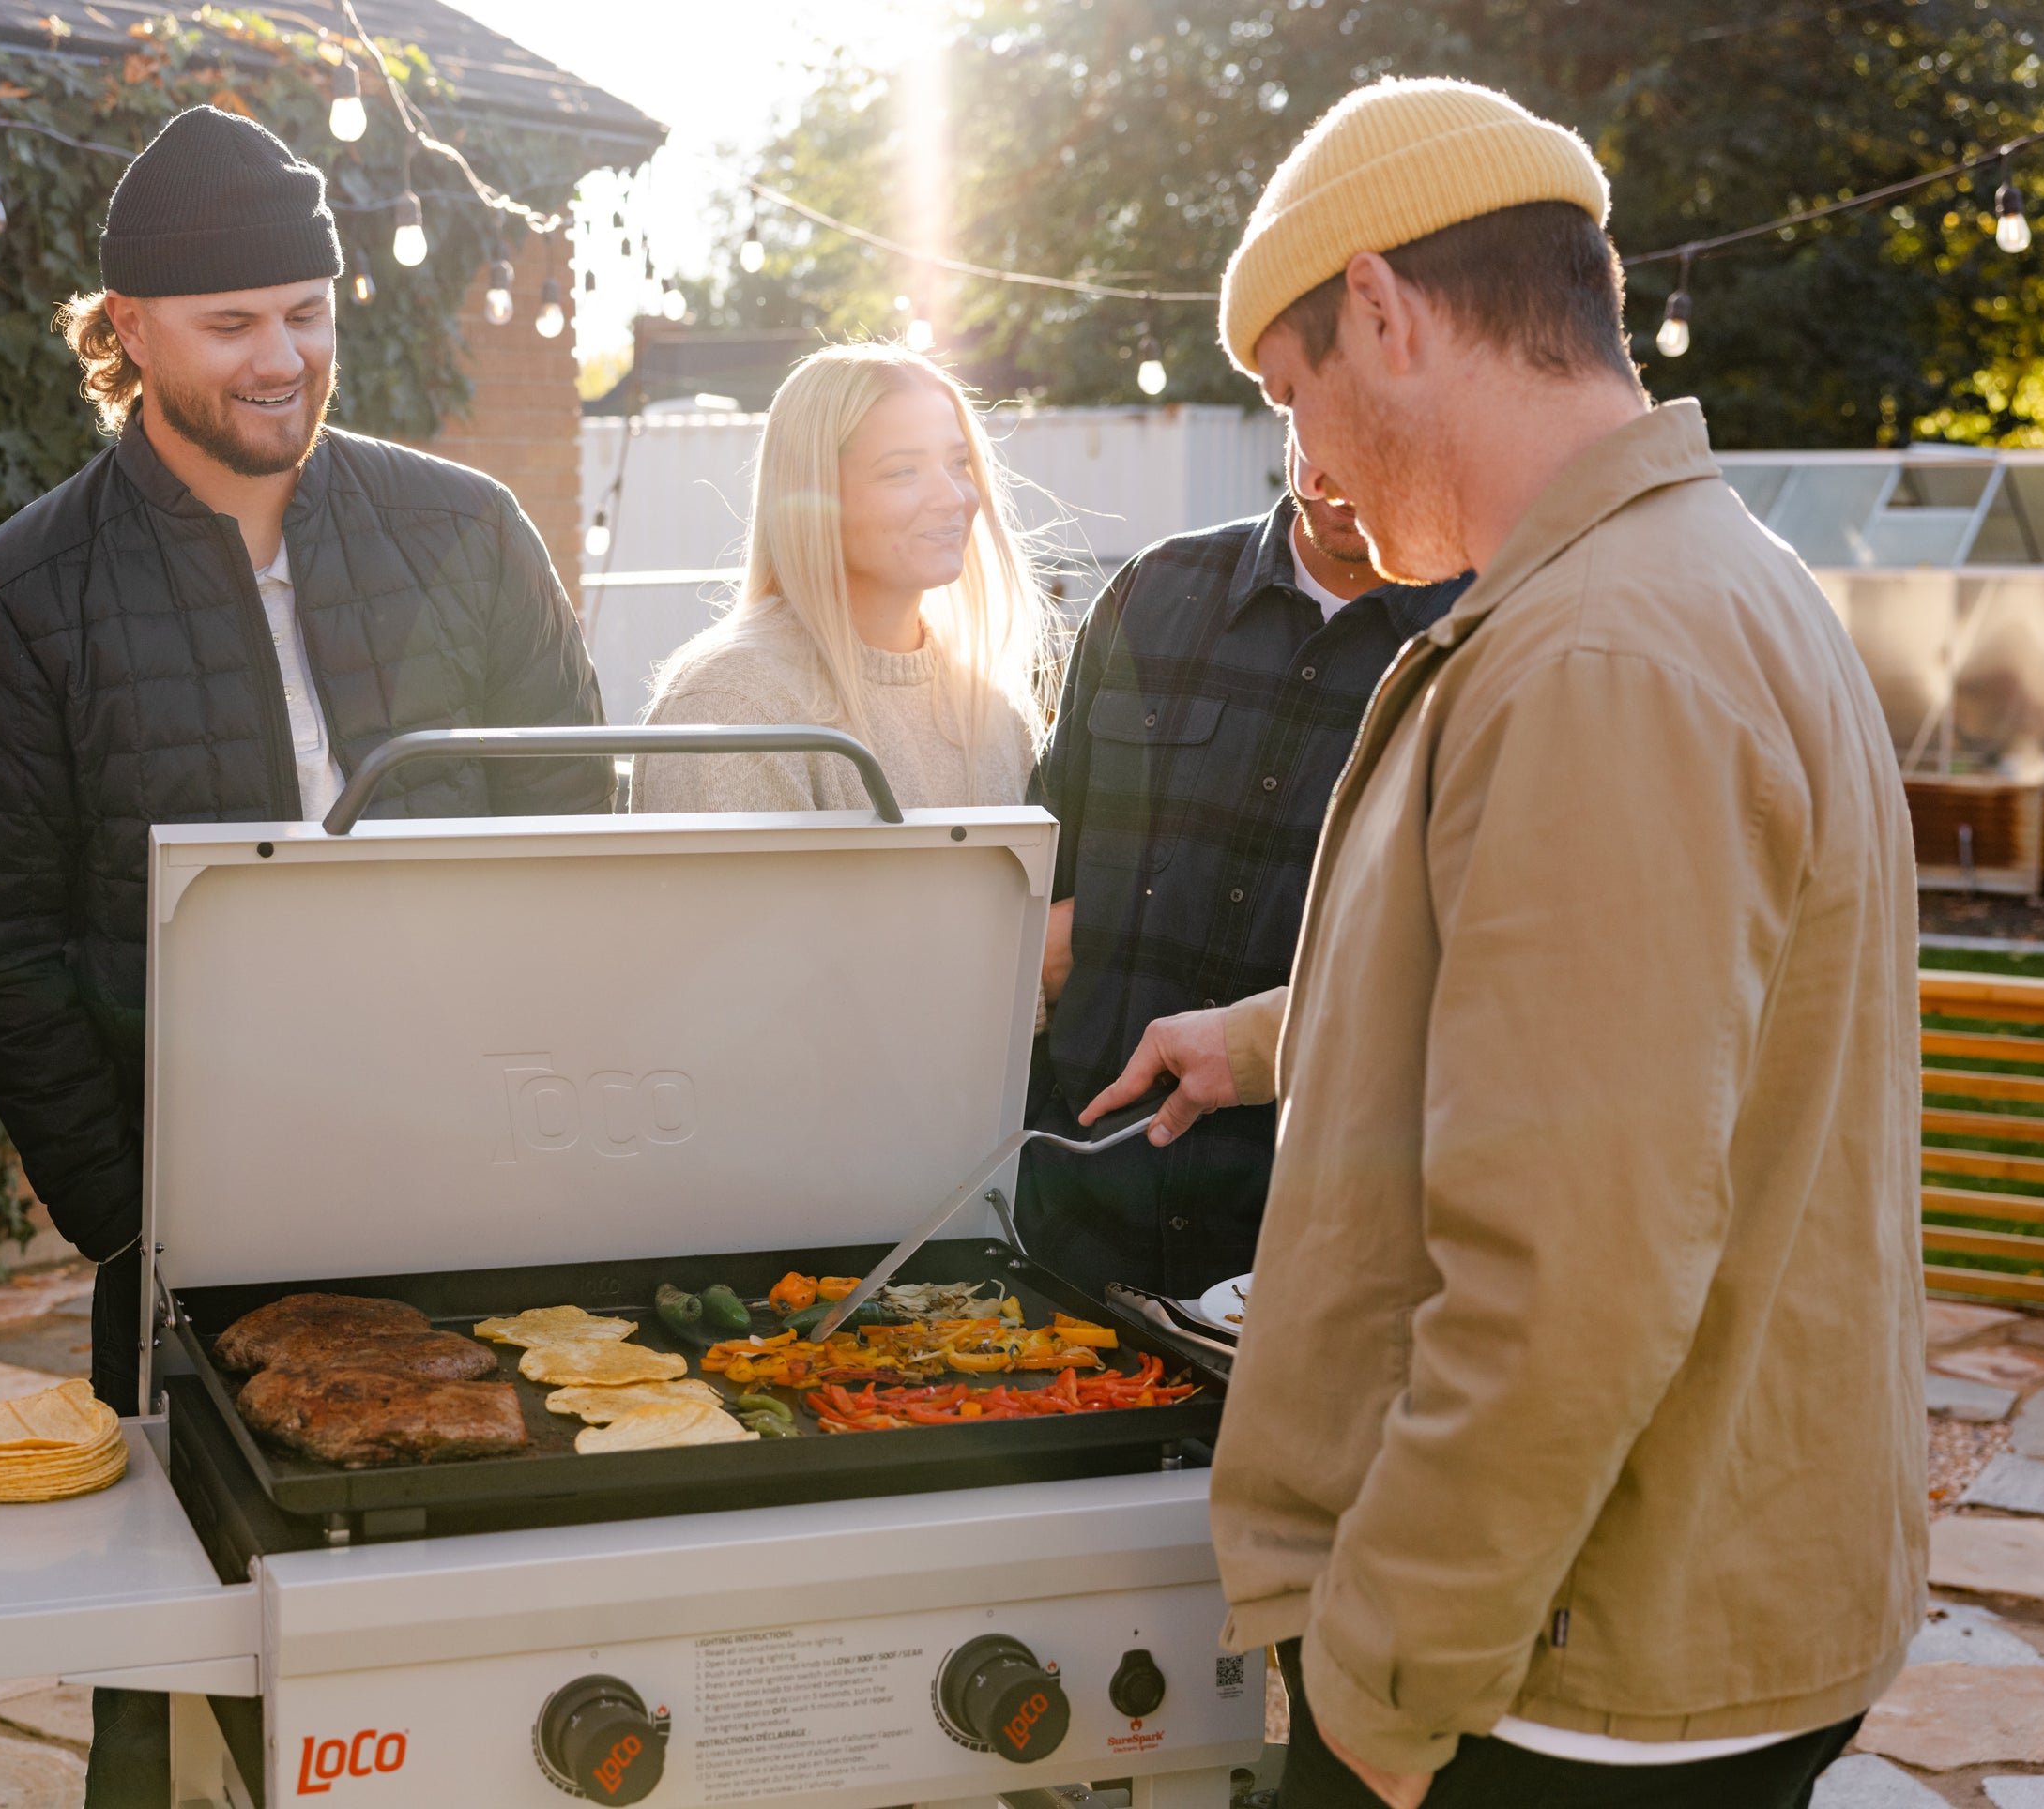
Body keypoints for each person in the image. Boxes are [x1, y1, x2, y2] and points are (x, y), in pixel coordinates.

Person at [1088, 78, 1919, 1807]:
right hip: (1635, 1630)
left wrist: (1387, 1680)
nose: (1295, 457)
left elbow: (1572, 1273)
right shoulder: (1695, 579)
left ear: (1383, 313)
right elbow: (1627, 1023)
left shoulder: (1600, 658)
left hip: (1560, 1681)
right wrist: (1266, 1036)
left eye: (1290, 389)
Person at [0, 104, 609, 1803]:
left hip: (476, 1206)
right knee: (179, 1704)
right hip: (188, 1247)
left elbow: (574, 841)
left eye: (308, 307)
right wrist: (139, 1216)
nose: (284, 355)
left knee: (487, 1693)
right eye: (232, 324)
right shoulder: (16, 601)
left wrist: (539, 1131)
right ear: (126, 330)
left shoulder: (467, 532)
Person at [1019, 442, 1464, 1299]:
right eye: (1316, 436)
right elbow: (1038, 881)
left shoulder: (1486, 645)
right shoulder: (1152, 593)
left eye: (1370, 438)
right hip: (1077, 1222)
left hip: (1318, 1253)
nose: (1337, 479)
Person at [633, 342, 1047, 813]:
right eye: (902, 471)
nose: (952, 496)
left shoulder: (993, 712)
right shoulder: (735, 704)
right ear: (811, 496)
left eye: (959, 463)